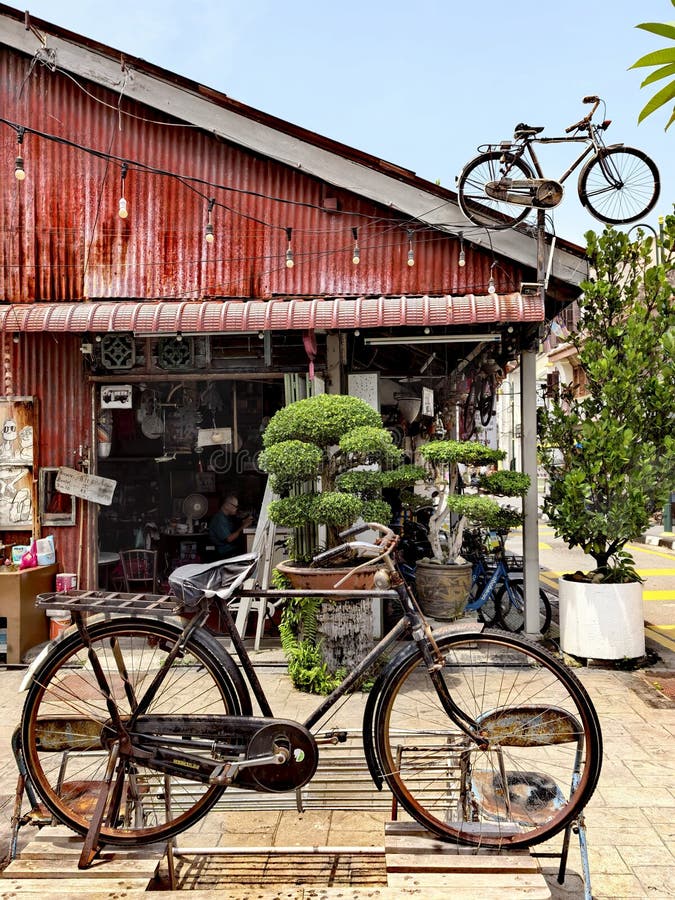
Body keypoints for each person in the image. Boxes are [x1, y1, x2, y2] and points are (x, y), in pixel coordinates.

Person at [208, 494, 253, 559]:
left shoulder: (227, 517)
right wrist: (243, 526)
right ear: (227, 505)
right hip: (225, 553)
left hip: (231, 550)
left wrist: (244, 522)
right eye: (235, 506)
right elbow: (229, 539)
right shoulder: (219, 519)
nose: (237, 509)